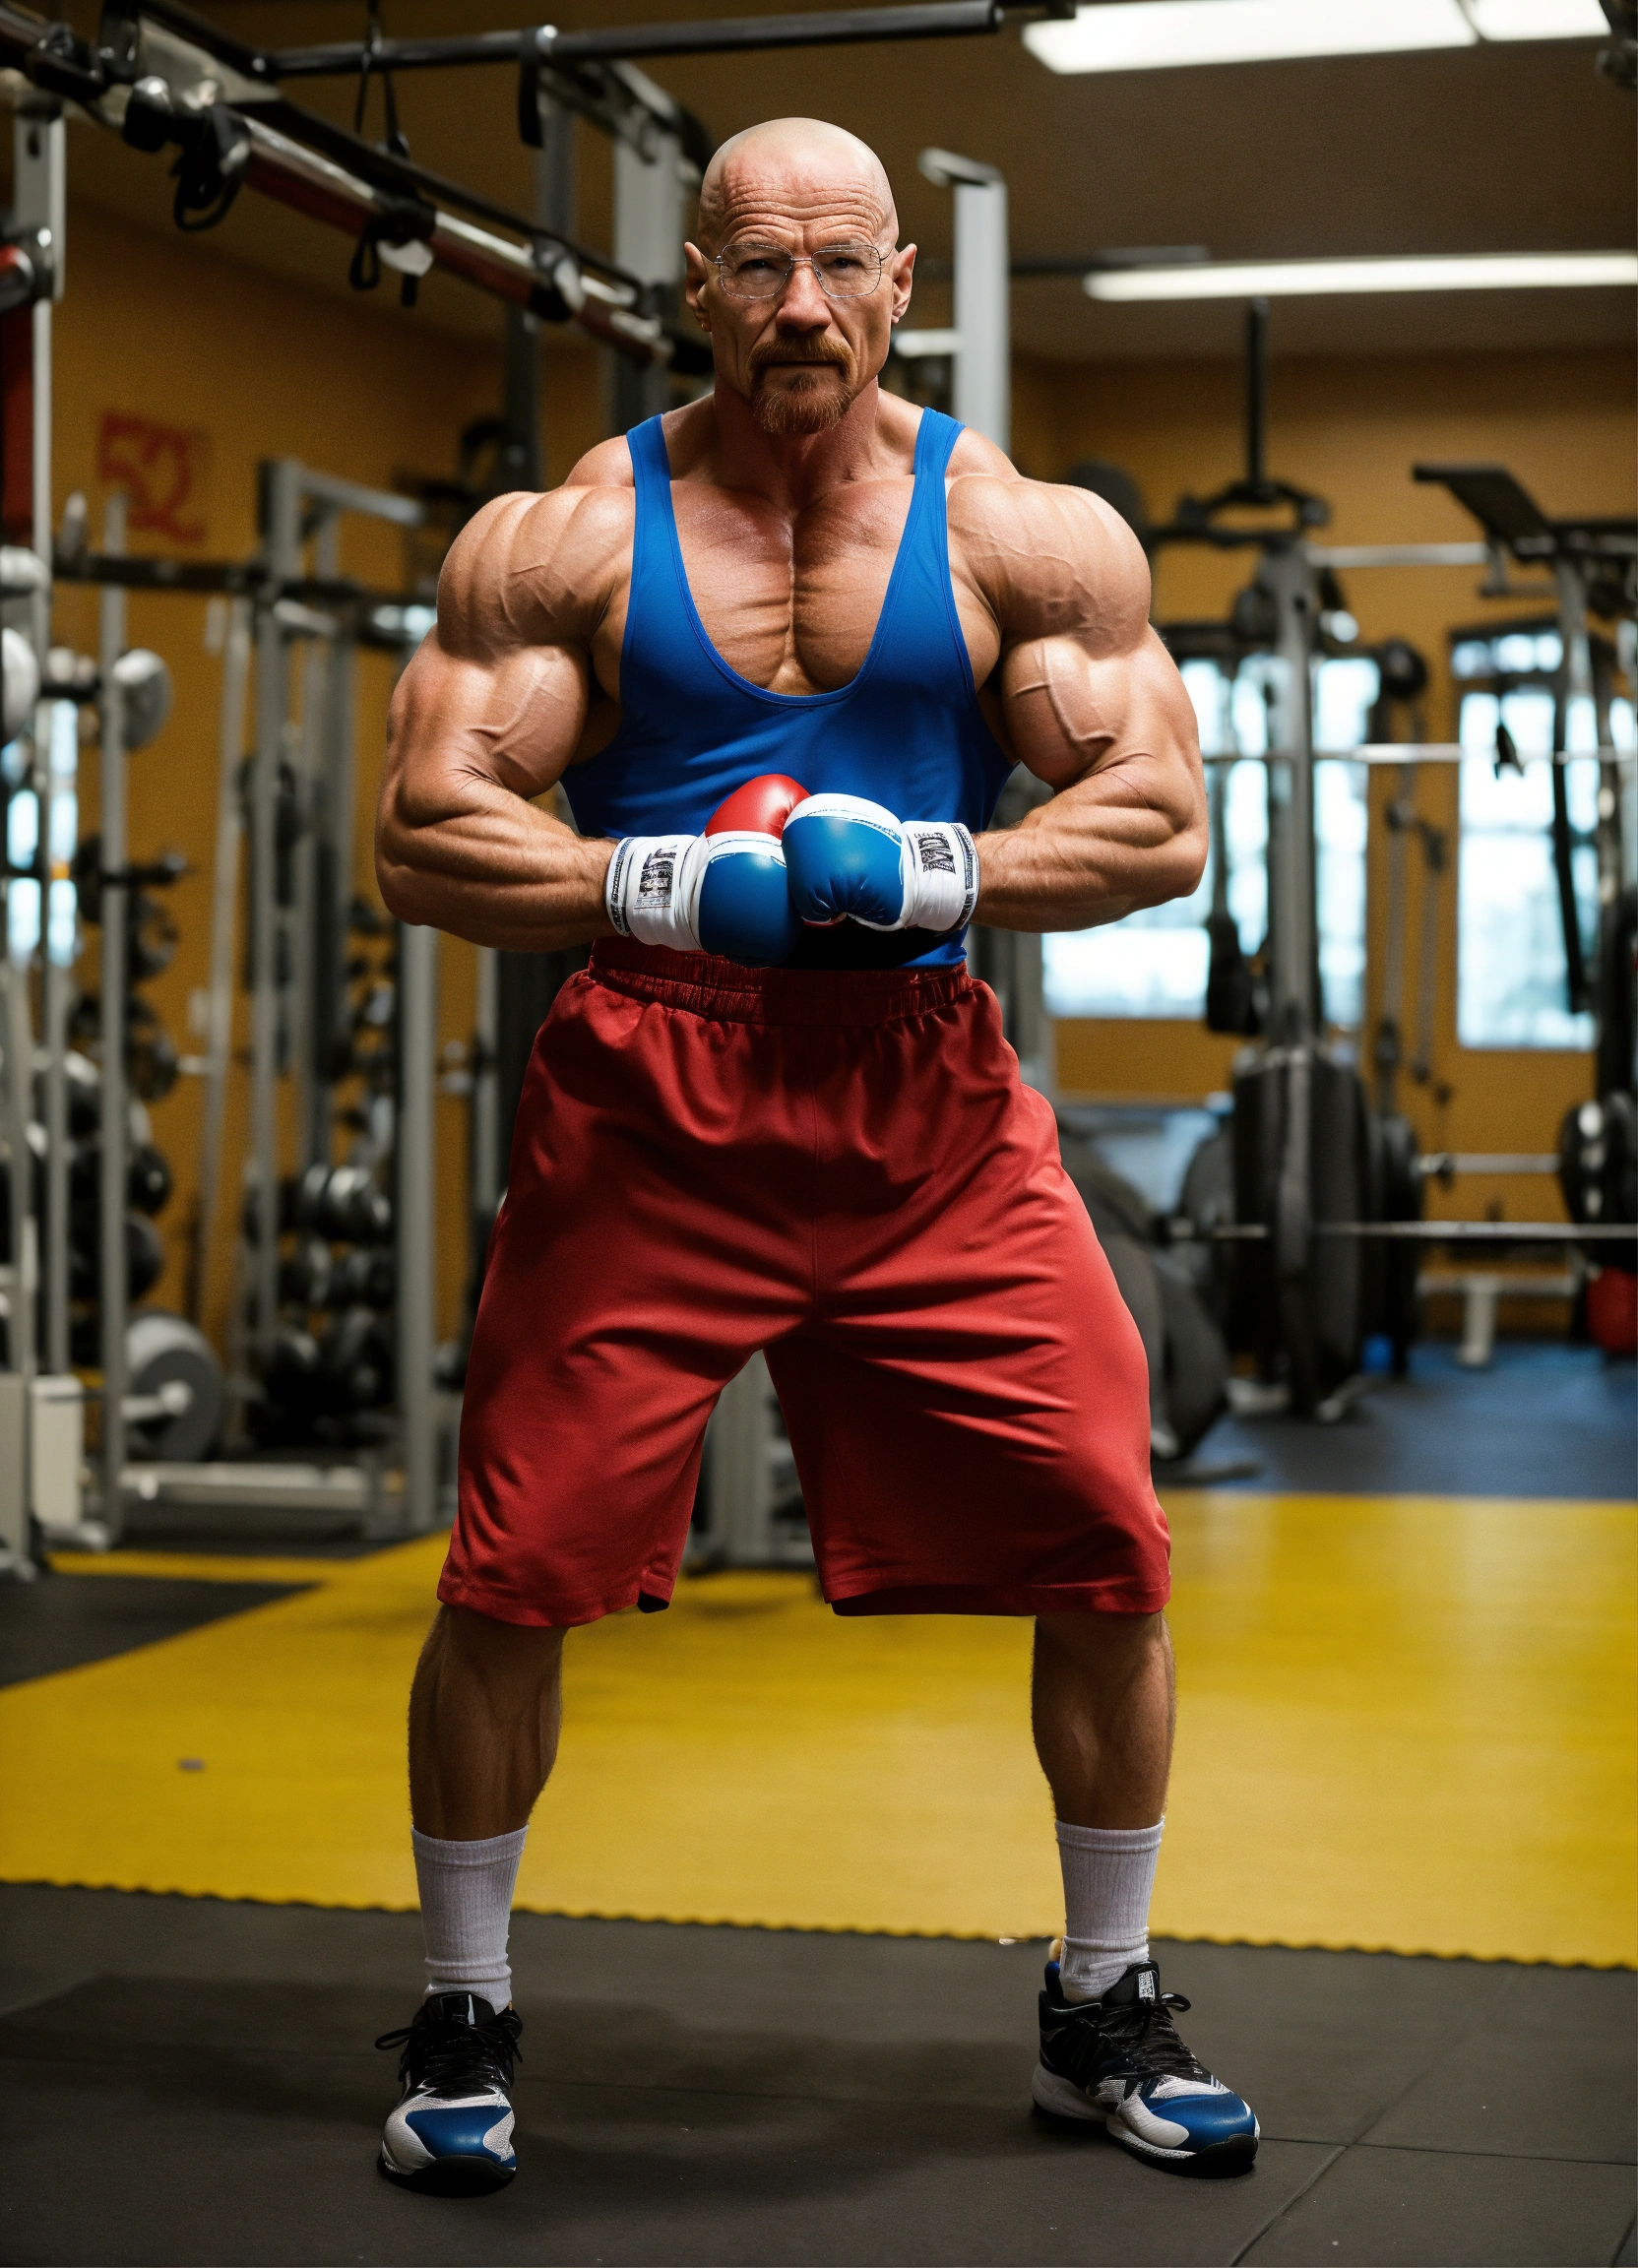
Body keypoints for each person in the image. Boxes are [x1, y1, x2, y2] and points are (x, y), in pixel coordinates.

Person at [371, 114, 1258, 2192]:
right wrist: (658, 884)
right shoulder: (565, 540)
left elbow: (1154, 817)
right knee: (512, 1567)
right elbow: (425, 834)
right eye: (758, 268)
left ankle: (1103, 1999)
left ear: (898, 285)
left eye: (840, 265)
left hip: (923, 1103)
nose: (799, 307)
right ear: (693, 284)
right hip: (649, 1103)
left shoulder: (1023, 536)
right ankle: (464, 2007)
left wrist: (939, 866)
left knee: (1106, 1534)